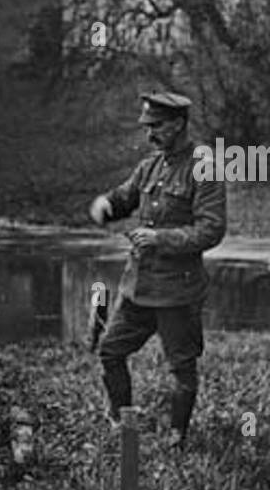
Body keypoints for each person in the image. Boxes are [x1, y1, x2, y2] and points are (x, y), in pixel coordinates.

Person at [88, 91, 227, 448]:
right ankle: (123, 425)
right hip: (139, 288)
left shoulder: (204, 165)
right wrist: (106, 205)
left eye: (157, 126)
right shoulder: (151, 165)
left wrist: (159, 238)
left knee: (181, 368)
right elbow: (125, 197)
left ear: (179, 124)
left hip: (178, 291)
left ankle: (175, 437)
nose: (149, 135)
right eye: (146, 127)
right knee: (110, 351)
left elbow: (211, 229)